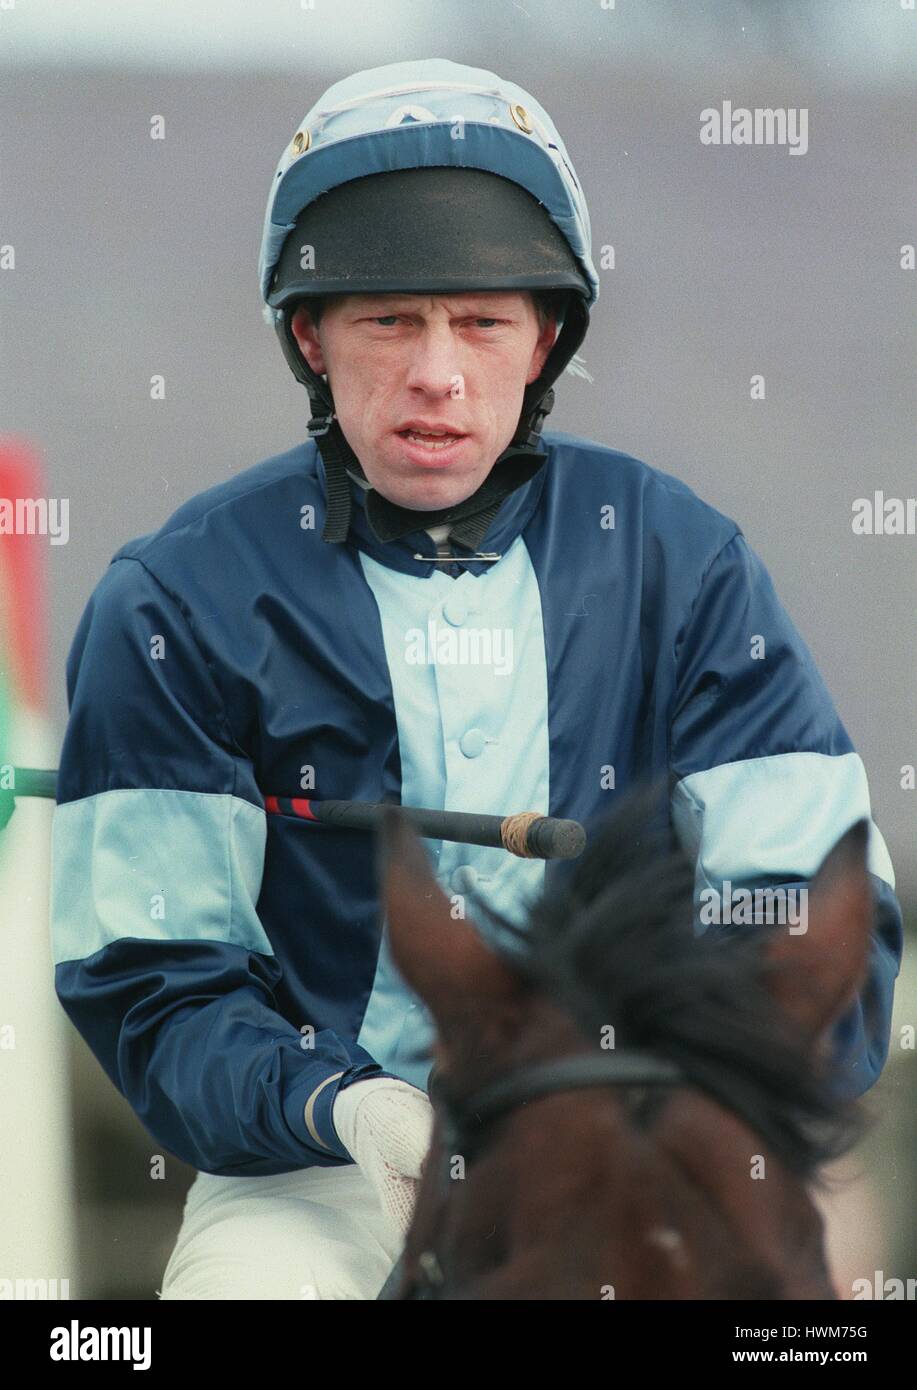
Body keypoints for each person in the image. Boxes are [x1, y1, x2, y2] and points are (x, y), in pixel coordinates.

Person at [50, 59, 902, 1300]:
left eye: (481, 322)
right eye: (387, 320)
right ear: (309, 335)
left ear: (543, 336)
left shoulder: (687, 565)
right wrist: (341, 1104)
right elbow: (155, 976)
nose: (436, 374)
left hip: (652, 1132)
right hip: (322, 1171)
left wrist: (676, 1085)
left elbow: (809, 907)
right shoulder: (175, 602)